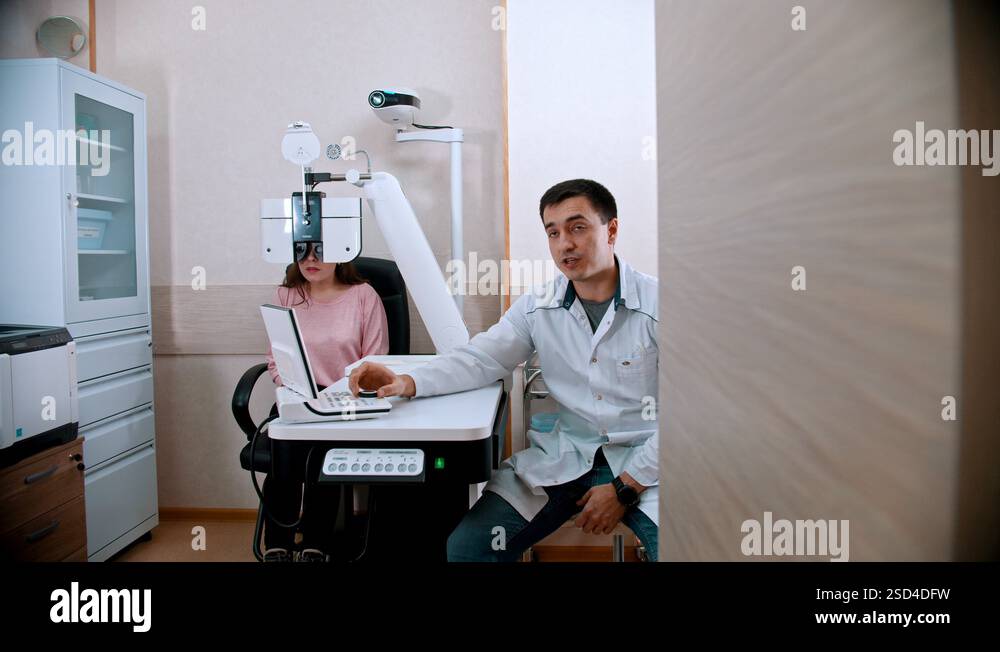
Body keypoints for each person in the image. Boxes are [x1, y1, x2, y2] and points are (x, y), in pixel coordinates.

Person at [348, 179, 659, 561]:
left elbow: (696, 416)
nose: (565, 243)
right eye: (553, 232)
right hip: (567, 457)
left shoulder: (661, 305)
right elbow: (481, 359)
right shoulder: (537, 307)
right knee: (468, 548)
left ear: (610, 229)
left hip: (650, 465)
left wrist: (626, 488)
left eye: (578, 227)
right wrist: (408, 381)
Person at [262, 244, 389, 562]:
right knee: (284, 450)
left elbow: (375, 359)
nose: (310, 259)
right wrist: (292, 388)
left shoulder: (364, 296)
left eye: (320, 250)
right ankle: (277, 542)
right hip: (298, 397)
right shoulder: (286, 296)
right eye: (302, 251)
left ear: (341, 250)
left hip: (346, 401)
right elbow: (275, 359)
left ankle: (315, 543)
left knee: (321, 452)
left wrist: (345, 393)